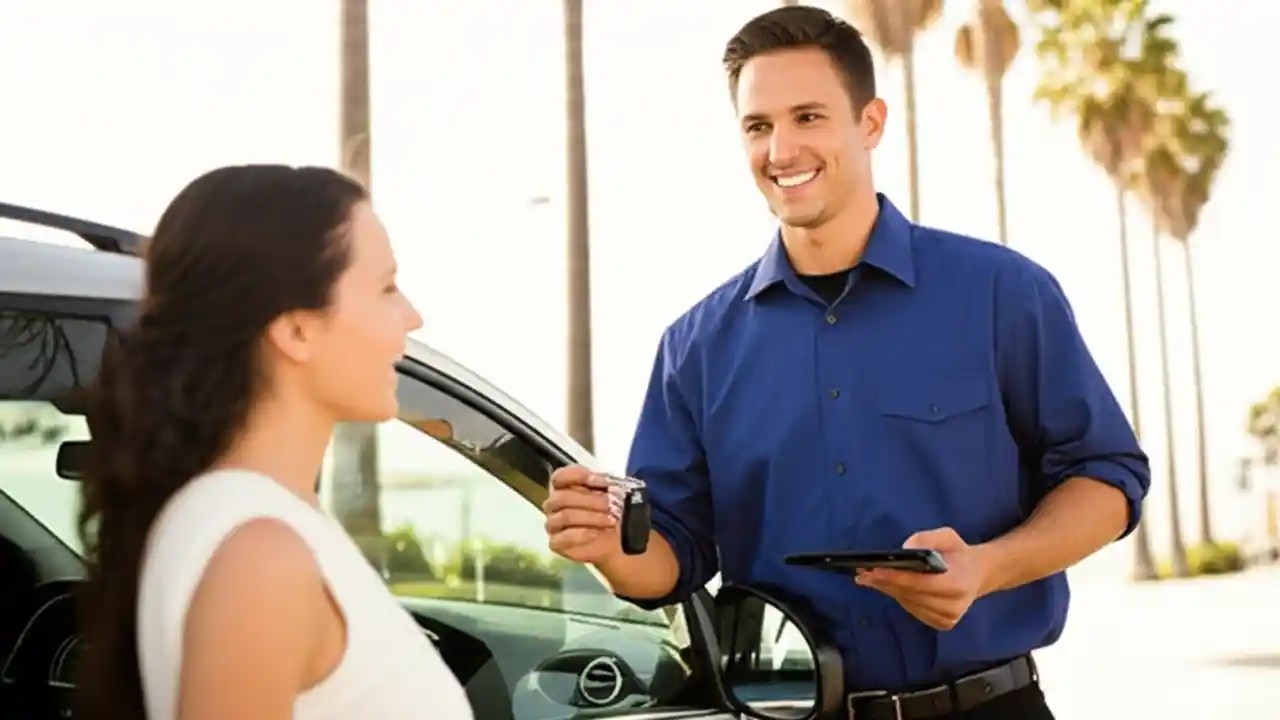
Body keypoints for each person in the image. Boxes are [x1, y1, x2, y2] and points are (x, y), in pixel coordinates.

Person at [542, 7, 1149, 720]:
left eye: (808, 117)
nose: (781, 149)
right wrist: (611, 550)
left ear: (870, 123)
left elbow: (1107, 479)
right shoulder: (695, 348)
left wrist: (987, 569)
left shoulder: (1001, 293)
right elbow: (673, 555)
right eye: (758, 126)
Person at [76, 165, 474, 720]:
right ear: (296, 331)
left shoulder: (247, 521)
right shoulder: (260, 553)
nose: (412, 317)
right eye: (386, 287)